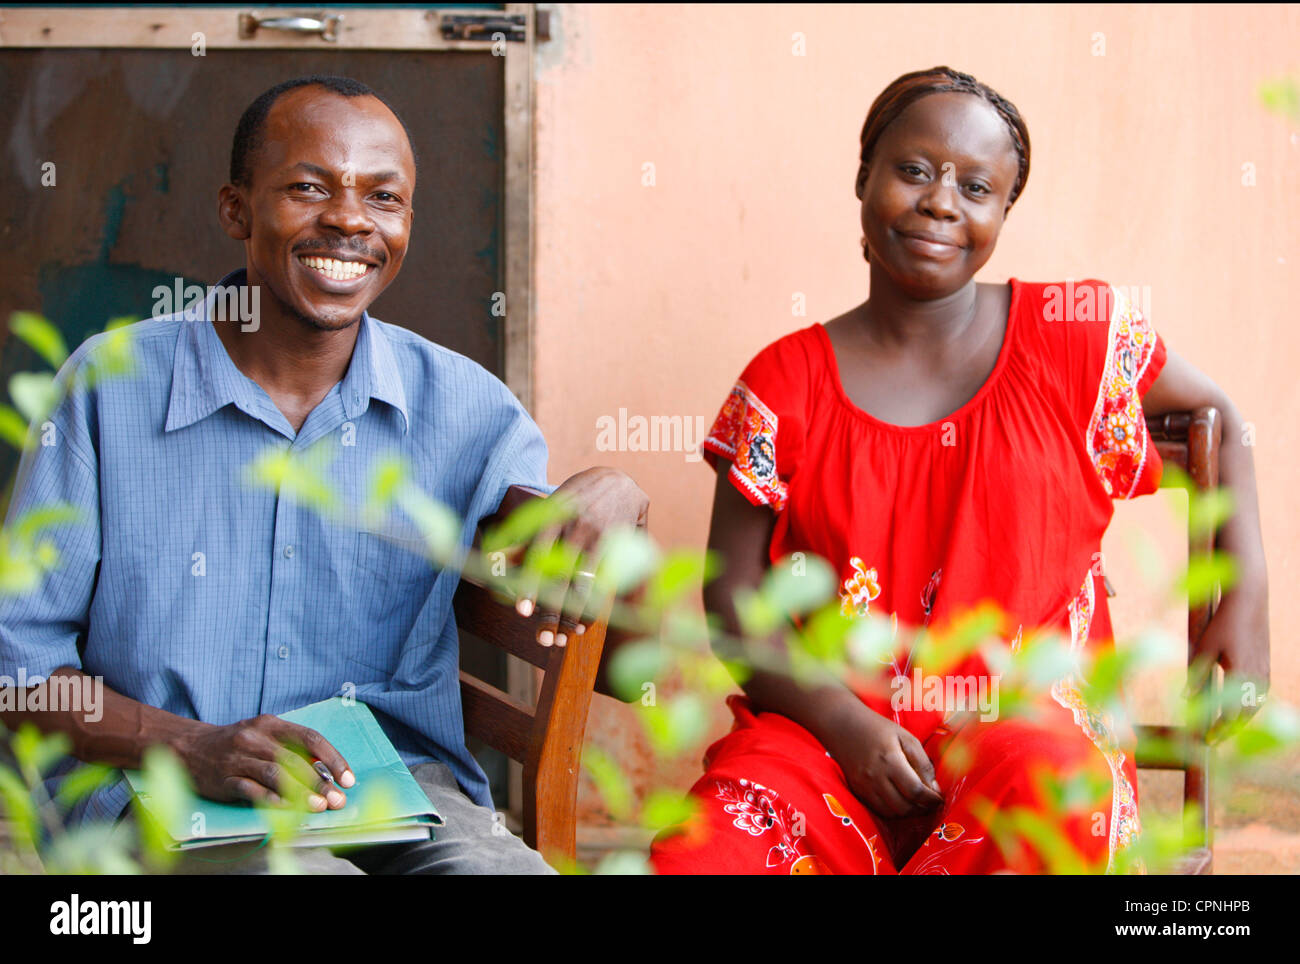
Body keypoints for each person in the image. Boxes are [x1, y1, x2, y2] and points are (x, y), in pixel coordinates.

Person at [0, 75, 648, 874]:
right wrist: (192, 744)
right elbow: (18, 672)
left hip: (401, 796)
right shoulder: (110, 387)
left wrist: (621, 497)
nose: (348, 219)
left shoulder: (469, 413)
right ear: (235, 209)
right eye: (309, 187)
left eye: (384, 197)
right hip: (155, 789)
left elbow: (619, 668)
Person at [649, 66, 1269, 875]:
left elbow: (1220, 418)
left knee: (1055, 795)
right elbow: (730, 598)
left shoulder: (1072, 336)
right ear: (864, 178)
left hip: (1022, 740)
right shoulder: (782, 382)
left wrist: (1248, 590)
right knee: (710, 850)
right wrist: (843, 723)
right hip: (825, 740)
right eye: (914, 170)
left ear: (1004, 213)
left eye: (977, 187)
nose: (942, 201)